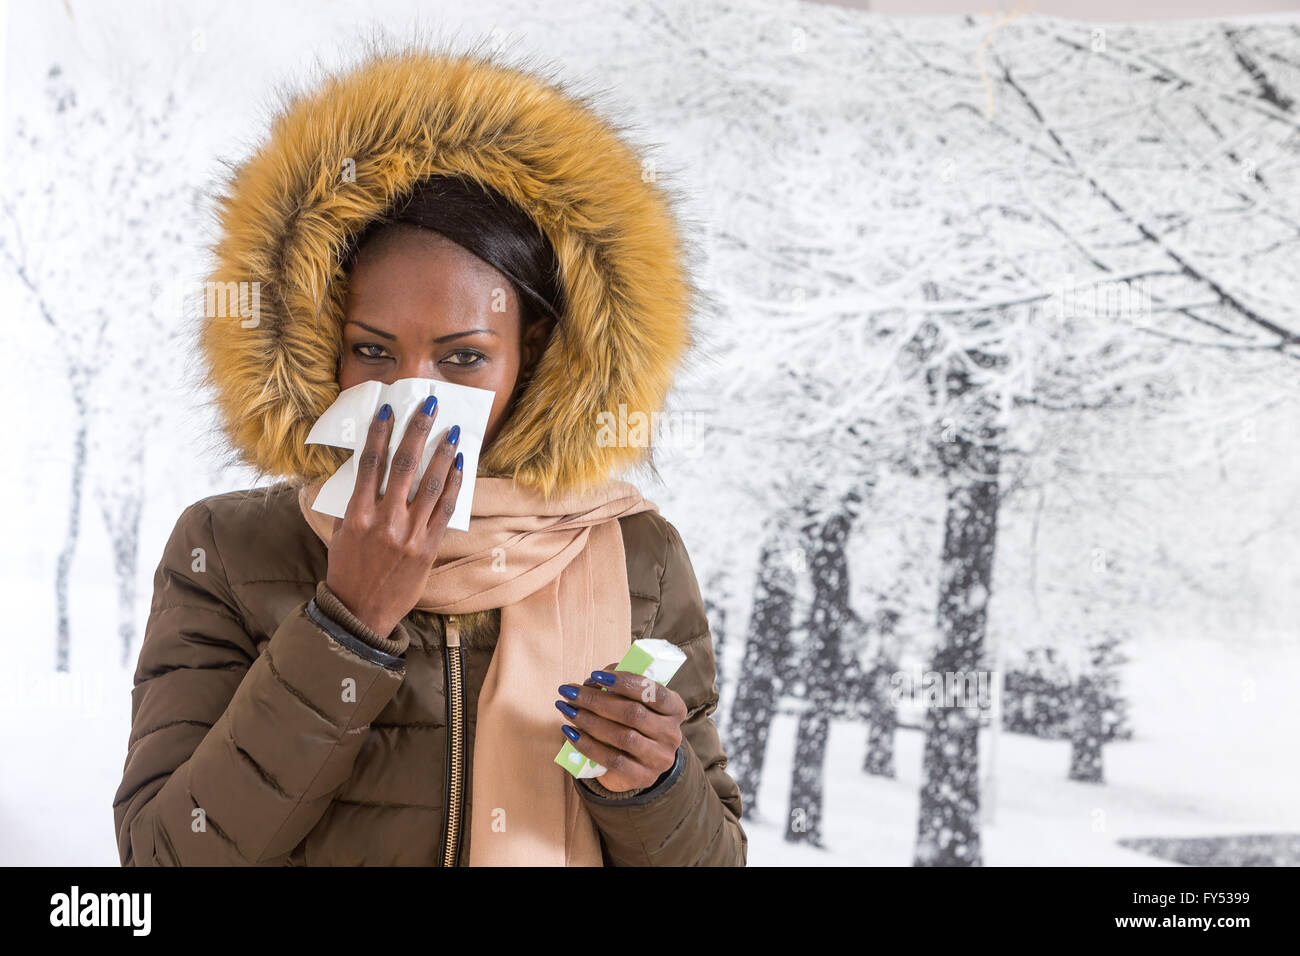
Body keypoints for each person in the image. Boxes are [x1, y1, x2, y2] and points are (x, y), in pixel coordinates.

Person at [111, 44, 747, 866]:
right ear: (320, 347)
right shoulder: (227, 550)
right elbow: (164, 856)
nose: (411, 393)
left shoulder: (636, 555)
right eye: (373, 352)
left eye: (463, 359)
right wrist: (347, 622)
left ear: (537, 357)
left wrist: (653, 785)